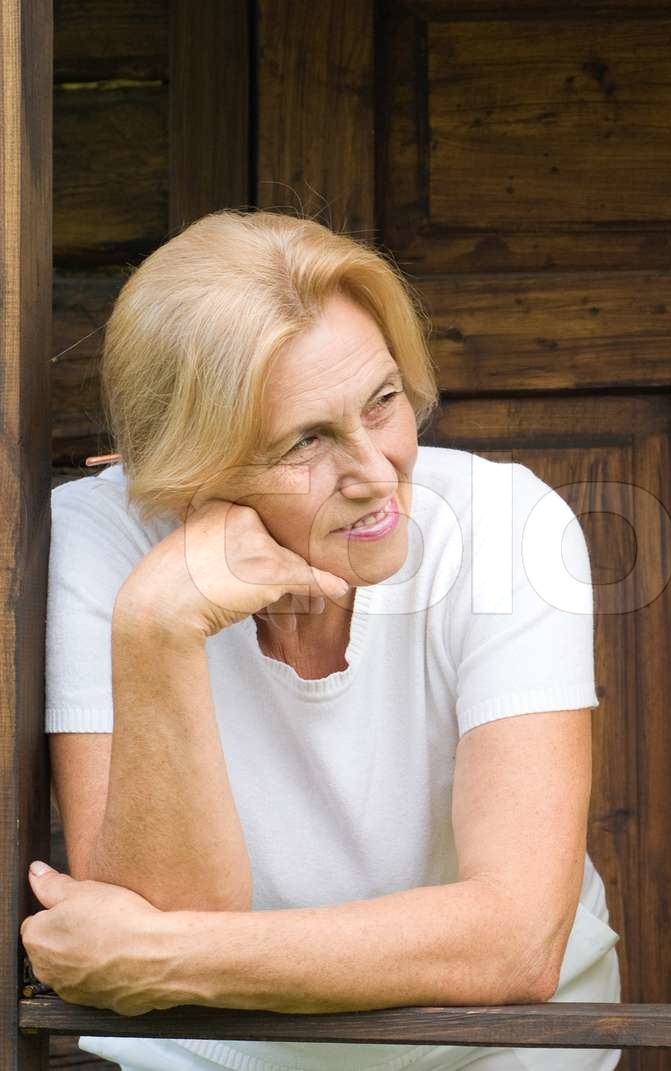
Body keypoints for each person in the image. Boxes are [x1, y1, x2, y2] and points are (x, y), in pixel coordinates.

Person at [24, 210, 621, 1071]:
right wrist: (158, 625)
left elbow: (515, 940)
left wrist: (164, 953)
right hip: (219, 1054)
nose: (378, 473)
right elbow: (165, 914)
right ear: (193, 469)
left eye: (384, 401)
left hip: (496, 1047)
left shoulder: (508, 523)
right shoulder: (98, 541)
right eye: (307, 440)